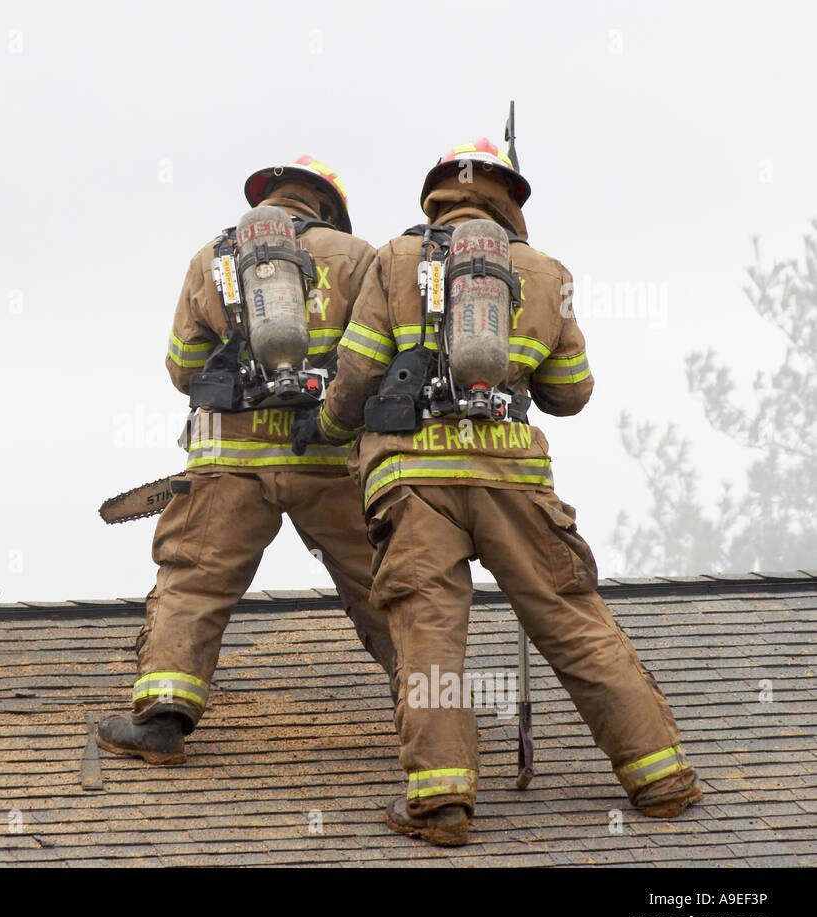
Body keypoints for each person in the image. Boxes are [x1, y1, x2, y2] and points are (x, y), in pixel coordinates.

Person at [304, 138, 701, 845]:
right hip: (514, 477)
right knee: (574, 620)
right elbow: (570, 393)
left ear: (437, 195)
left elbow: (359, 368)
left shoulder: (396, 259)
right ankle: (661, 777)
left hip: (411, 478)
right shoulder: (548, 272)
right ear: (510, 200)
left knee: (428, 635)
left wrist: (330, 426)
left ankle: (442, 802)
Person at [96, 156, 396, 766]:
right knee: (385, 584)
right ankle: (434, 708)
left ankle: (162, 722)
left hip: (229, 461)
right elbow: (378, 359)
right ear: (328, 206)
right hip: (330, 456)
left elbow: (184, 368)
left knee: (194, 581)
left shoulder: (210, 256)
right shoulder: (359, 255)